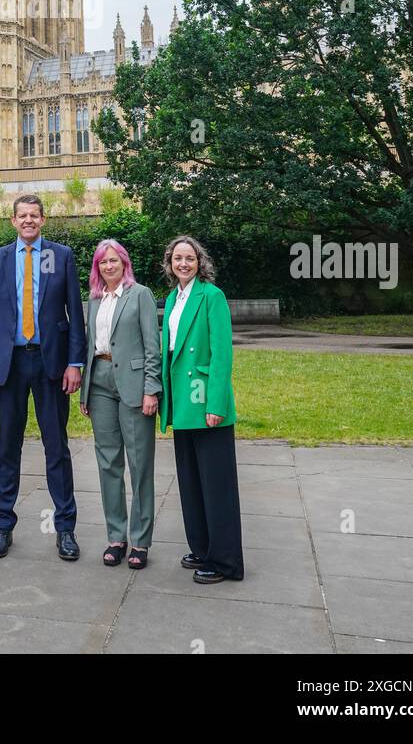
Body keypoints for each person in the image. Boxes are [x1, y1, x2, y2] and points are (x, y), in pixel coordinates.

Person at [0, 193, 87, 561]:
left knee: (56, 447)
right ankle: (3, 526)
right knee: (9, 447)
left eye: (34, 216)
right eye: (22, 216)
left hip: (50, 364)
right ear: (13, 221)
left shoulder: (60, 256)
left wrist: (75, 363)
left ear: (43, 220)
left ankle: (65, 528)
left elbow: (75, 314)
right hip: (9, 366)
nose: (28, 221)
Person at [159, 235, 244, 584]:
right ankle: (202, 547)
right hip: (182, 402)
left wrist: (217, 404)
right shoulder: (172, 298)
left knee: (216, 485)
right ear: (170, 263)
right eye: (177, 258)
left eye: (189, 258)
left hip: (205, 402)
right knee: (192, 482)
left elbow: (222, 354)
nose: (183, 264)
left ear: (199, 262)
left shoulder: (212, 296)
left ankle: (225, 561)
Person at [79, 239, 160, 569]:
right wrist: (85, 390)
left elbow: (152, 346)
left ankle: (140, 542)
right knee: (108, 462)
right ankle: (116, 536)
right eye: (102, 262)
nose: (108, 267)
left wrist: (151, 389)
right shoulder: (95, 300)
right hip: (99, 382)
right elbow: (89, 346)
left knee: (140, 464)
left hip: (133, 384)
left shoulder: (140, 295)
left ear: (124, 264)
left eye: (113, 261)